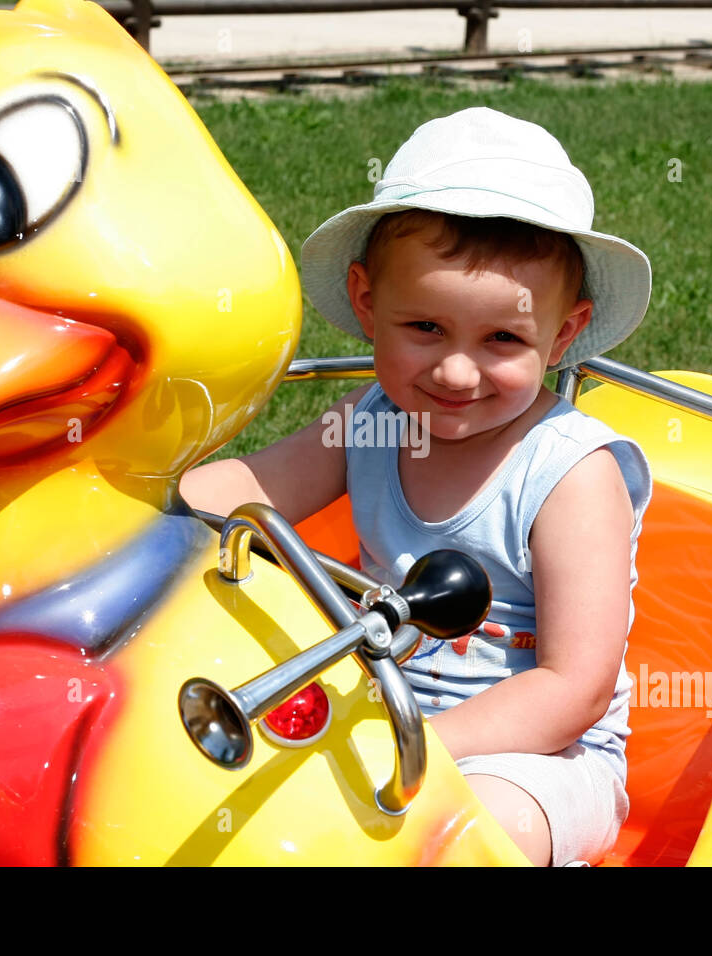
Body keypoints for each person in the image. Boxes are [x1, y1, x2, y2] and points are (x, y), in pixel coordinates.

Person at [180, 106, 652, 866]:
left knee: (469, 834)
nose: (456, 372)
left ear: (563, 336)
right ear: (368, 305)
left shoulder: (571, 473)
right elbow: (244, 492)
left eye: (503, 339)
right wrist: (136, 508)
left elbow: (573, 689)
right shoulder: (373, 421)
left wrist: (422, 744)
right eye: (425, 328)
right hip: (381, 714)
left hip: (539, 761)